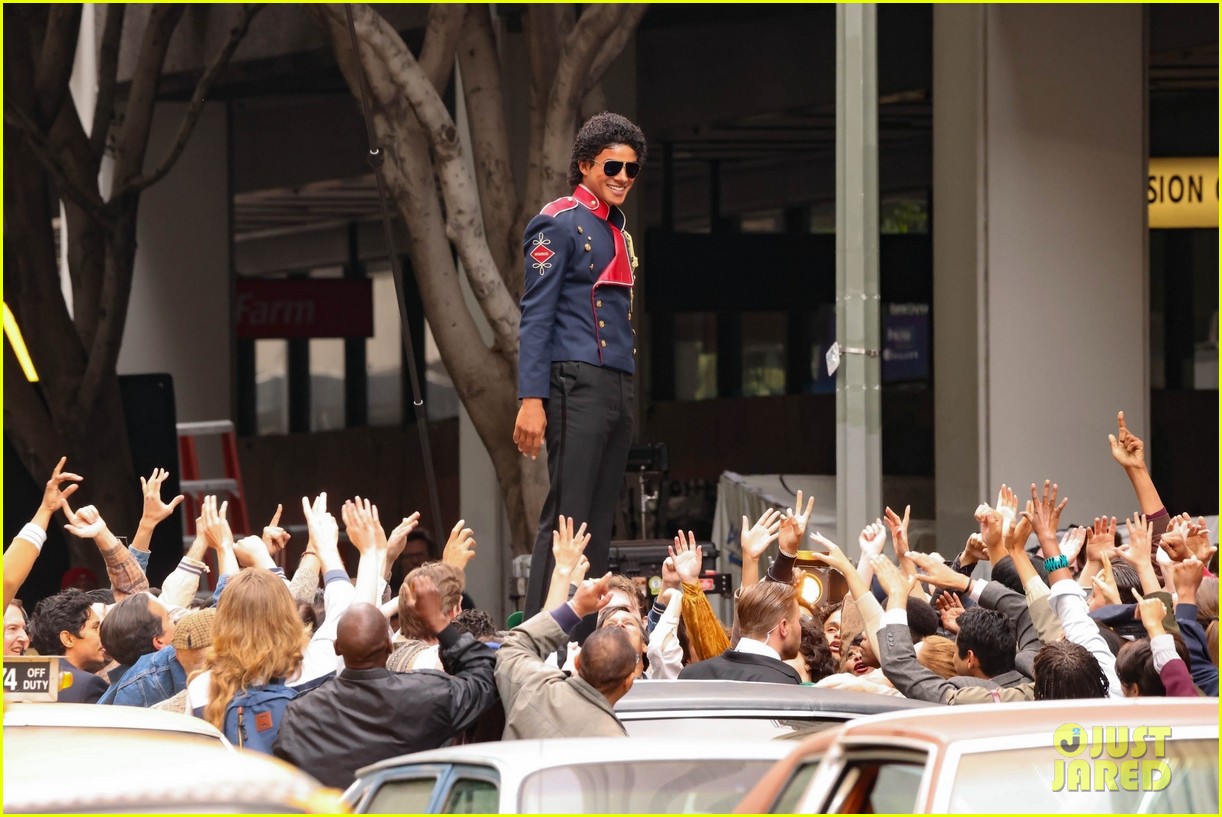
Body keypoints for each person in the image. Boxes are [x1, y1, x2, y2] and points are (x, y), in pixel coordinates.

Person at [514, 112, 647, 618]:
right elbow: (536, 314)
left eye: (632, 170)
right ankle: (541, 639)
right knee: (568, 517)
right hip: (574, 381)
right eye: (612, 166)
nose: (622, 178)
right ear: (586, 165)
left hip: (616, 383)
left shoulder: (617, 231)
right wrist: (532, 399)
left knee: (596, 519)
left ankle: (583, 638)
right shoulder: (559, 220)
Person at [273, 580, 498, 790]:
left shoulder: (300, 713)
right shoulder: (428, 695)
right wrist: (438, 622)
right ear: (389, 645)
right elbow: (485, 675)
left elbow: (285, 783)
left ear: (337, 648)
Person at [497, 573, 637, 739]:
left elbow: (514, 646)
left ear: (577, 662)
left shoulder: (534, 687)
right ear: (629, 682)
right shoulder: (617, 746)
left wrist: (576, 608)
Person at [678, 580, 802, 684]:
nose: (801, 628)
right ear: (784, 626)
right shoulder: (784, 682)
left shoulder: (691, 675)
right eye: (799, 621)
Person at [96, 592, 182, 706]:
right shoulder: (172, 657)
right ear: (158, 641)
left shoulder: (107, 699)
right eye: (169, 618)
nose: (176, 622)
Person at [27, 588, 110, 703]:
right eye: (95, 627)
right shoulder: (88, 685)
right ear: (68, 639)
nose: (102, 634)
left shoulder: (27, 680)